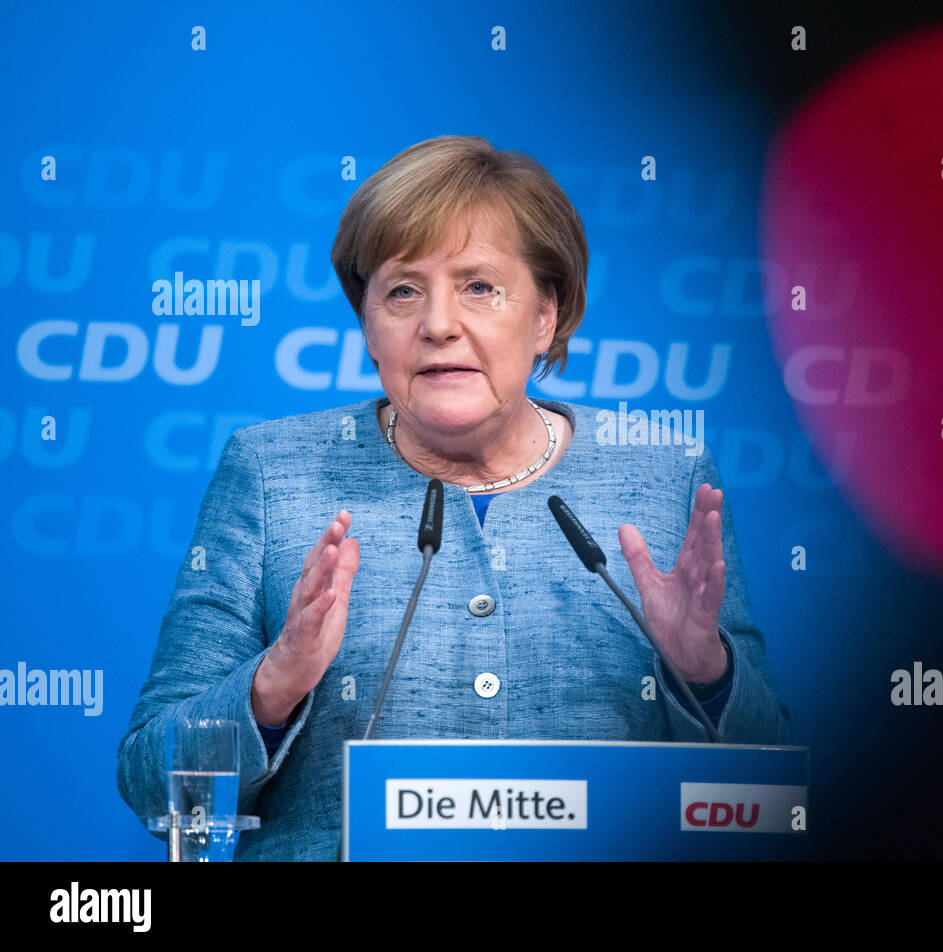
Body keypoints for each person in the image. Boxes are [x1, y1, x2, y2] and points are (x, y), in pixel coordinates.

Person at [117, 135, 791, 860]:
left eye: (480, 286)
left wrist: (707, 673)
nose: (437, 324)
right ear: (368, 325)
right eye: (403, 290)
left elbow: (772, 787)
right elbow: (151, 777)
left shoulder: (666, 473)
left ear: (545, 317)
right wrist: (274, 683)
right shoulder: (272, 471)